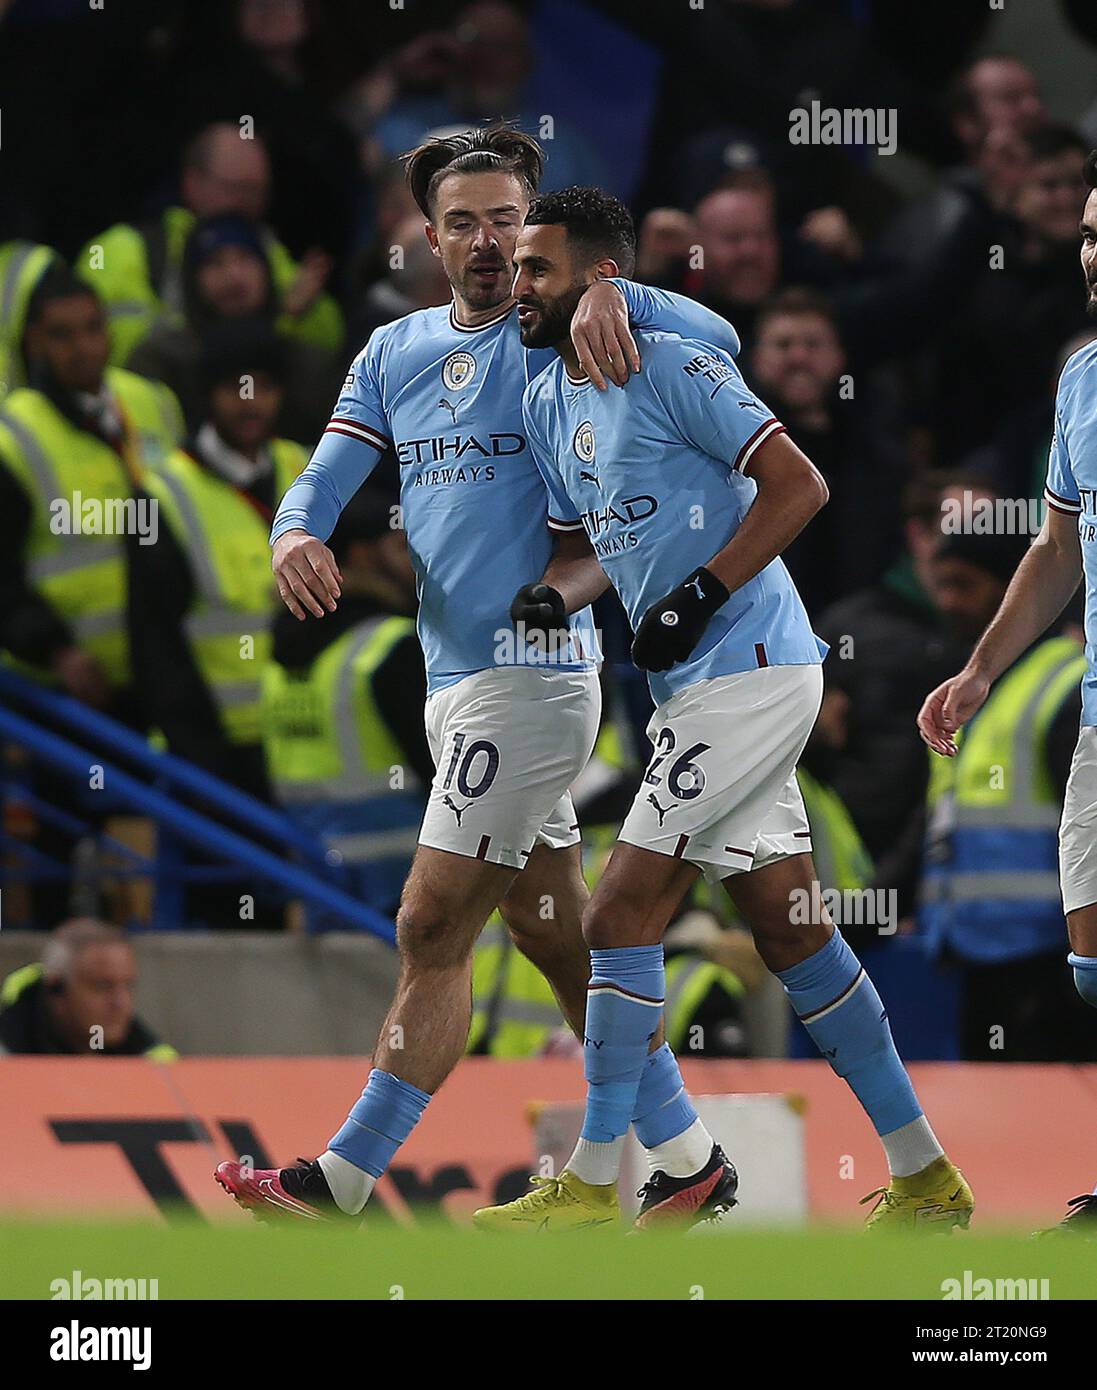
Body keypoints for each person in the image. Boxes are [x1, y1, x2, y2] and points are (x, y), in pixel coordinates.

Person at [214, 123, 747, 1226]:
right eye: (462, 221)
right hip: (450, 675)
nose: (487, 240)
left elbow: (721, 334)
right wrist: (290, 538)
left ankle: (341, 1180)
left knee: (427, 922)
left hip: (537, 672)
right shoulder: (393, 351)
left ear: (534, 223)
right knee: (553, 932)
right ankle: (690, 1158)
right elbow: (317, 483)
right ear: (428, 236)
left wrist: (618, 290)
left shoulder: (567, 332)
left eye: (507, 218)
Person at [475, 186, 971, 1232]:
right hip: (689, 690)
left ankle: (596, 1177)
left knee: (614, 913)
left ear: (599, 279)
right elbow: (582, 551)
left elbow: (799, 484)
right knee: (792, 934)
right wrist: (549, 595)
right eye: (513, 267)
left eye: (536, 267)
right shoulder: (545, 398)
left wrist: (702, 589)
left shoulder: (669, 360)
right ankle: (925, 1174)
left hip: (753, 668)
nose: (516, 284)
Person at [917, 148, 1097, 1236]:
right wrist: (981, 665)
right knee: (1087, 970)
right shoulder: (1080, 376)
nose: (1091, 257)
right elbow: (1055, 547)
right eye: (1085, 236)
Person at [917, 530, 1091, 1062]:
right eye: (940, 586)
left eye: (964, 585)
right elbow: (938, 818)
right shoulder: (972, 691)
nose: (948, 602)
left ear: (1010, 589)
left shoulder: (1066, 683)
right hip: (976, 943)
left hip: (1052, 953)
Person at [138, 320, 307, 801]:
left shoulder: (307, 467)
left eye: (265, 387)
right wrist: (200, 752)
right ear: (208, 394)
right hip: (215, 753)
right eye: (236, 388)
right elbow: (156, 643)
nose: (251, 402)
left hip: (306, 738)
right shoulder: (160, 495)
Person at [0, 267, 182, 714]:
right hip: (66, 685)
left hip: (164, 669)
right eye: (62, 335)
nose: (82, 347)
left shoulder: (151, 401)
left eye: (93, 328)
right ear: (35, 342)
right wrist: (54, 650)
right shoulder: (13, 437)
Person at [262, 489, 431, 921]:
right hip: (409, 880)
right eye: (399, 546)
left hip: (322, 882)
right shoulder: (390, 646)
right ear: (360, 555)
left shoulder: (283, 652)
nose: (415, 562)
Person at [78, 122, 343, 366]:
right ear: (192, 183)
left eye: (258, 192)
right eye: (236, 189)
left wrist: (290, 318)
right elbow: (113, 353)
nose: (246, 204)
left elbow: (329, 343)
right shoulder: (124, 248)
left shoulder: (265, 251)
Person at [128, 214, 343, 440]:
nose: (233, 276)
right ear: (191, 279)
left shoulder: (305, 362)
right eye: (214, 262)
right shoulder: (162, 358)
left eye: (245, 259)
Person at [0, 919, 176, 1059]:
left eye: (128, 986)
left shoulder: (149, 1060)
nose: (121, 1002)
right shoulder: (9, 1053)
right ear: (56, 991)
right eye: (103, 986)